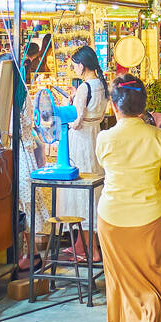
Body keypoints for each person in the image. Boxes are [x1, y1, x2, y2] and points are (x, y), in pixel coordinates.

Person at [95, 74, 161, 322]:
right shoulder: (159, 138)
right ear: (143, 106)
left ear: (114, 106)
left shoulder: (104, 139)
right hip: (149, 218)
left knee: (118, 279)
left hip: (111, 219)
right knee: (155, 281)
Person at [56, 45, 109, 254]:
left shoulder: (85, 88)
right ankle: (81, 244)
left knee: (80, 192)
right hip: (95, 138)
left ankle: (90, 250)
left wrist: (66, 111)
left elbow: (76, 121)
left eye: (75, 65)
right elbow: (99, 115)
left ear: (83, 65)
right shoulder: (102, 85)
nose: (74, 69)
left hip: (80, 142)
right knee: (94, 191)